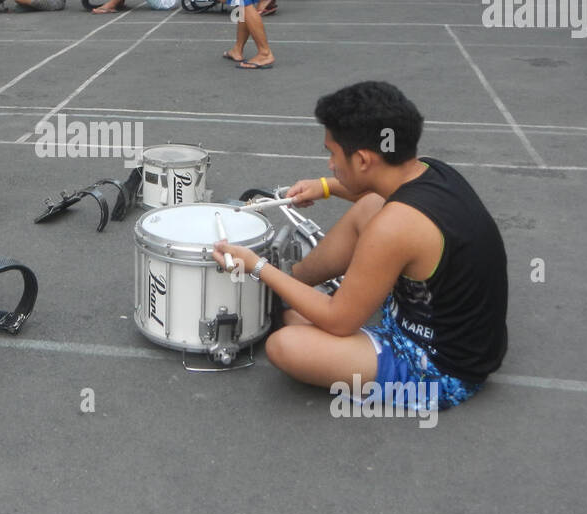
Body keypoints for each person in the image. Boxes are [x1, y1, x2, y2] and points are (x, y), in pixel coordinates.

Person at [213, 81, 509, 411]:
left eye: (332, 153)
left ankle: (281, 296)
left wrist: (258, 266)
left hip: (440, 368)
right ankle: (291, 286)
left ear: (364, 159)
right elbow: (373, 187)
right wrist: (324, 187)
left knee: (286, 345)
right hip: (462, 334)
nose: (329, 164)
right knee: (371, 205)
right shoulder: (429, 169)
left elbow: (340, 322)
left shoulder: (396, 225)